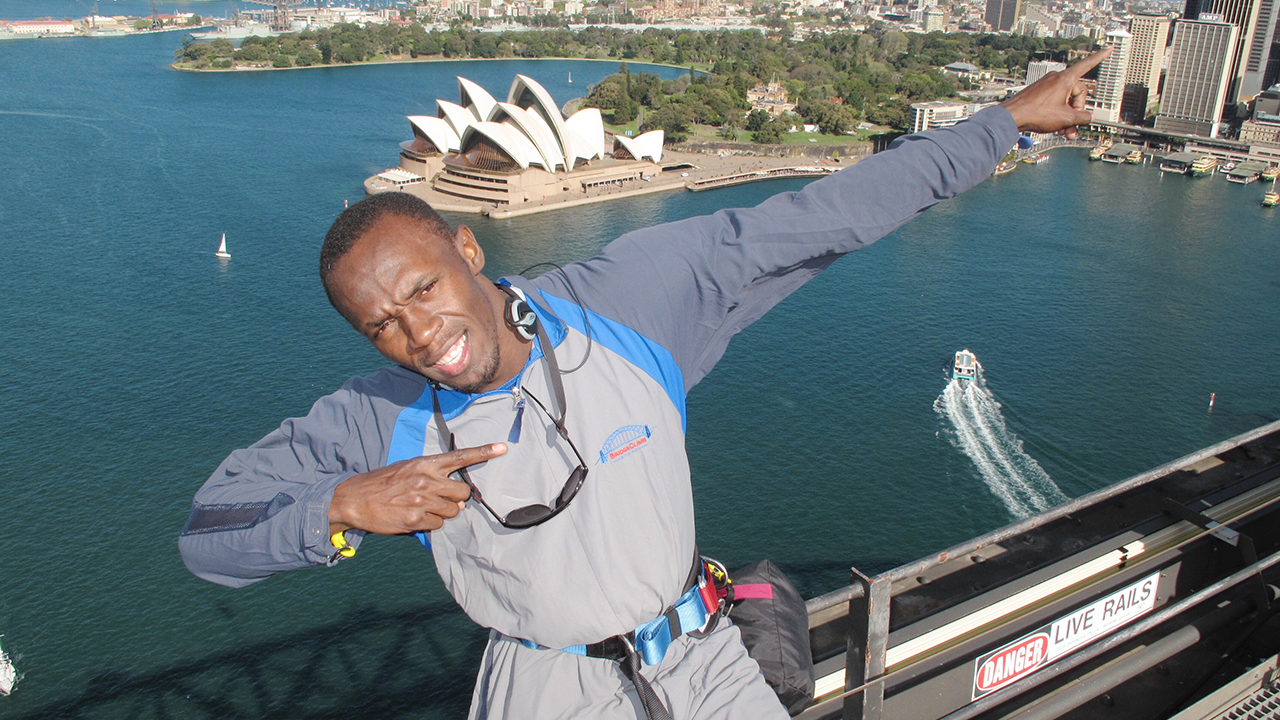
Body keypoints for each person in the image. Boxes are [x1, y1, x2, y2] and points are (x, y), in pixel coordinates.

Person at [179, 49, 1110, 719]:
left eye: (424, 290)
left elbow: (825, 214)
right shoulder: (377, 420)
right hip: (546, 689)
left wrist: (1003, 123)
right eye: (382, 324)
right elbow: (207, 535)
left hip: (708, 661)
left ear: (468, 248)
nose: (420, 335)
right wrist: (341, 507)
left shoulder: (626, 302)